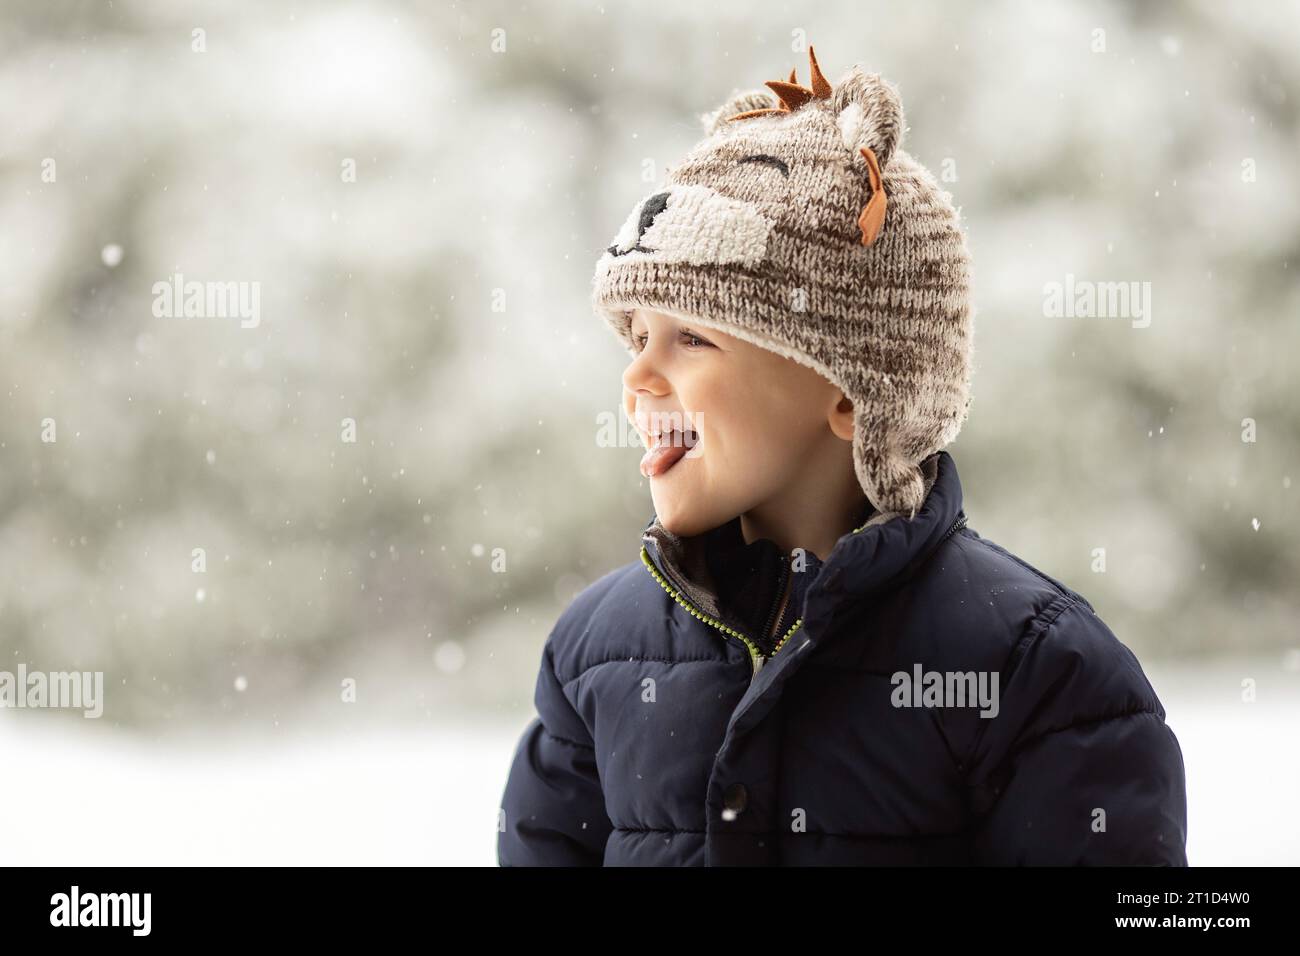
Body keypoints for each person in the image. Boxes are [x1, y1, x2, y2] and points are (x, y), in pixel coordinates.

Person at [497, 46, 1188, 866]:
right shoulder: (596, 658)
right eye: (636, 336)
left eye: (691, 337)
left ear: (852, 391)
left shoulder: (1036, 669)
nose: (638, 378)